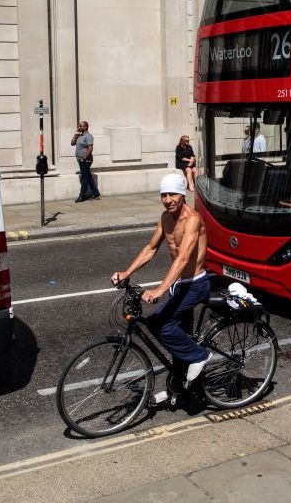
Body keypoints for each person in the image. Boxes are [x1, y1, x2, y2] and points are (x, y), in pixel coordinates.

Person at [111, 173, 211, 404]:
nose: (167, 199)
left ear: (182, 194)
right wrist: (127, 272)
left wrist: (159, 290)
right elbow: (150, 248)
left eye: (172, 194)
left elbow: (184, 258)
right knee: (180, 337)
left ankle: (200, 355)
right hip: (180, 285)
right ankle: (179, 388)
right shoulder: (166, 218)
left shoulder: (192, 220)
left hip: (195, 285)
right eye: (163, 195)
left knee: (159, 323)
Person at [71, 120, 100, 202]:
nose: (79, 127)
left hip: (86, 160)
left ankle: (82, 196)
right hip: (81, 160)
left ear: (86, 127)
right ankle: (96, 193)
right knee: (88, 176)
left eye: (80, 126)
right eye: (79, 126)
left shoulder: (88, 136)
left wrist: (84, 158)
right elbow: (72, 143)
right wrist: (75, 135)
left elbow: (90, 149)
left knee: (84, 178)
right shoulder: (80, 136)